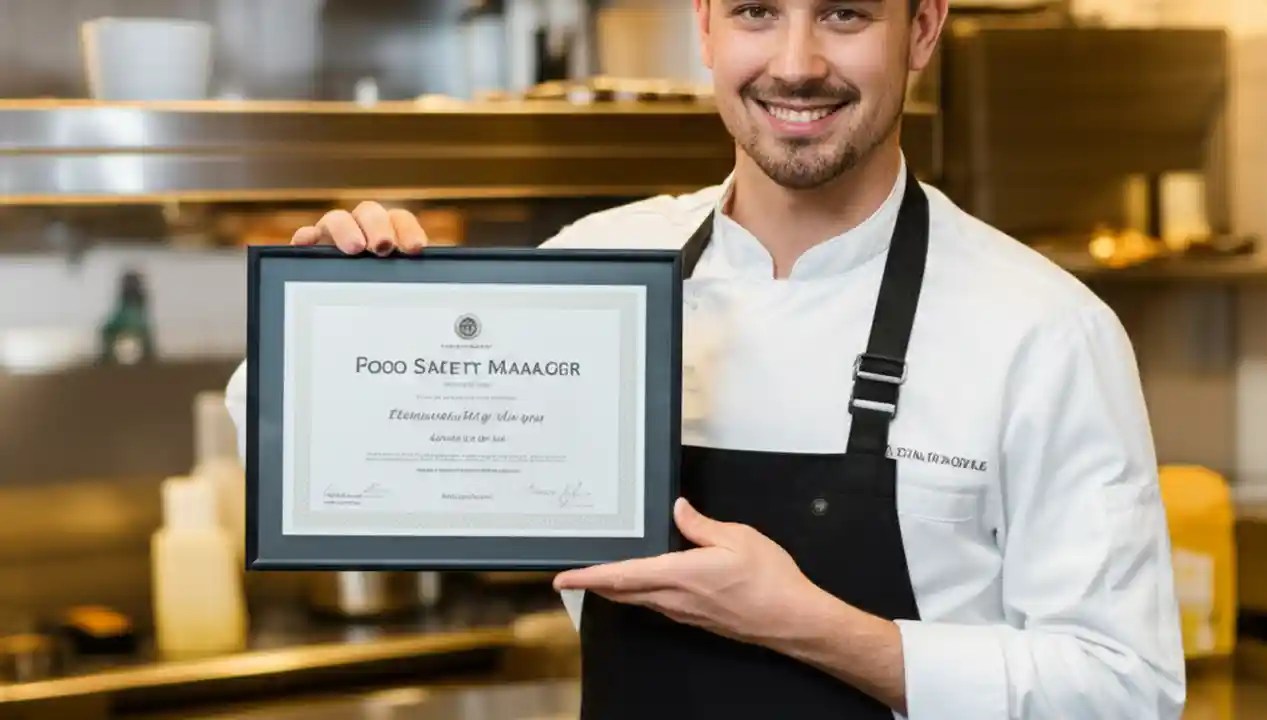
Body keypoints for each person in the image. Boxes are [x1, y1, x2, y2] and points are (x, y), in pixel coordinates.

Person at [224, 0, 1186, 717]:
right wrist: (343, 307)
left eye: (845, 14)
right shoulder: (596, 271)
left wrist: (814, 627)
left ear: (923, 28)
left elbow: (1124, 690)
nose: (797, 63)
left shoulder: (1045, 329)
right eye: (757, 13)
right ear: (707, 30)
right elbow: (301, 445)